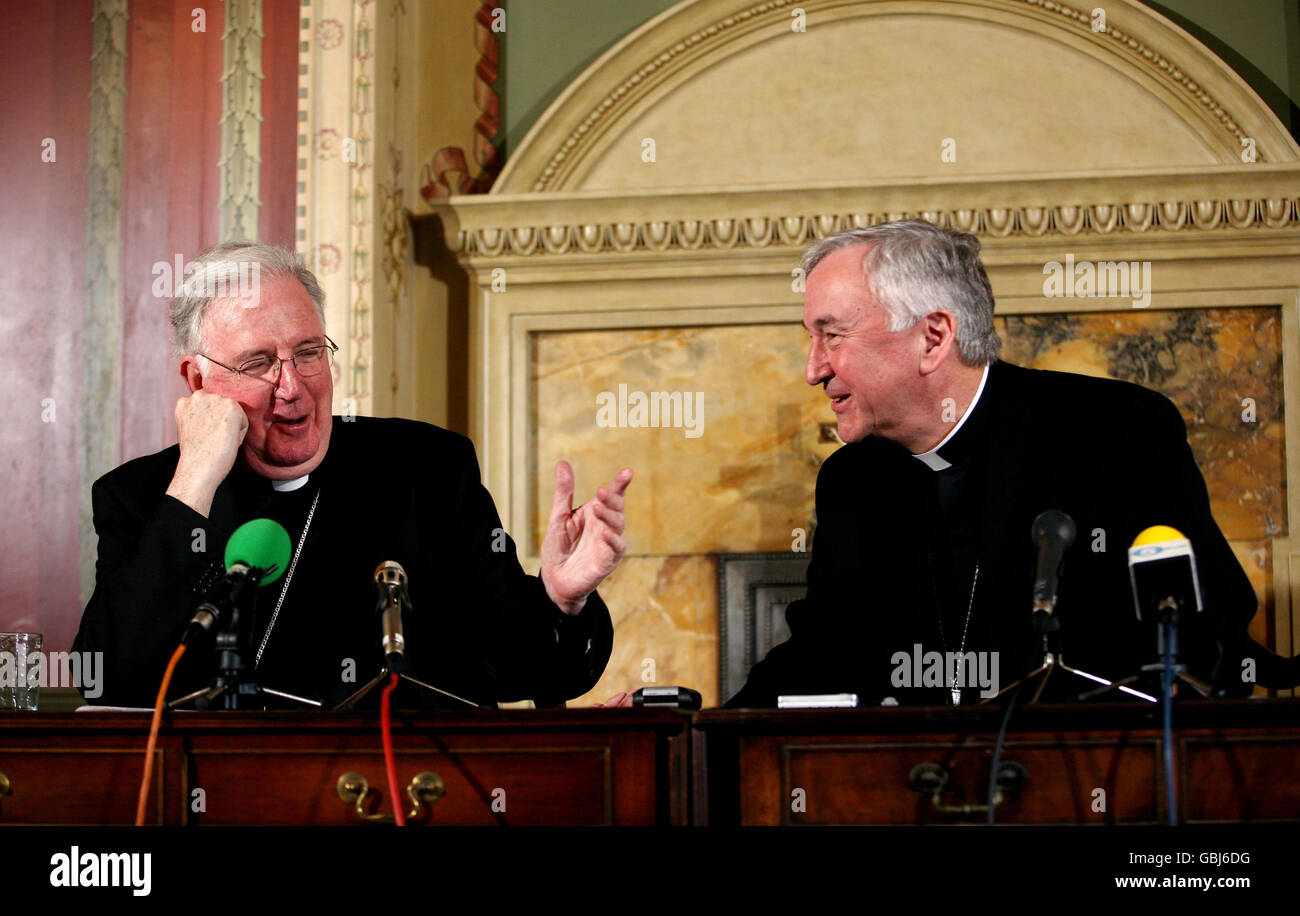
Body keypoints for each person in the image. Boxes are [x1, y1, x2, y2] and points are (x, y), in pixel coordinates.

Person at [726, 219, 1287, 708]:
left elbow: (1203, 626)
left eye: (832, 336)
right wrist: (682, 731)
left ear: (934, 337)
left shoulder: (1115, 431)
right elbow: (824, 650)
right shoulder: (853, 480)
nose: (813, 369)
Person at [74, 242, 632, 709]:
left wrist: (560, 600)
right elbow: (106, 683)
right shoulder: (142, 498)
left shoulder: (424, 469)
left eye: (308, 352)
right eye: (257, 363)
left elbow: (535, 673)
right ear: (197, 380)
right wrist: (194, 478)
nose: (291, 386)